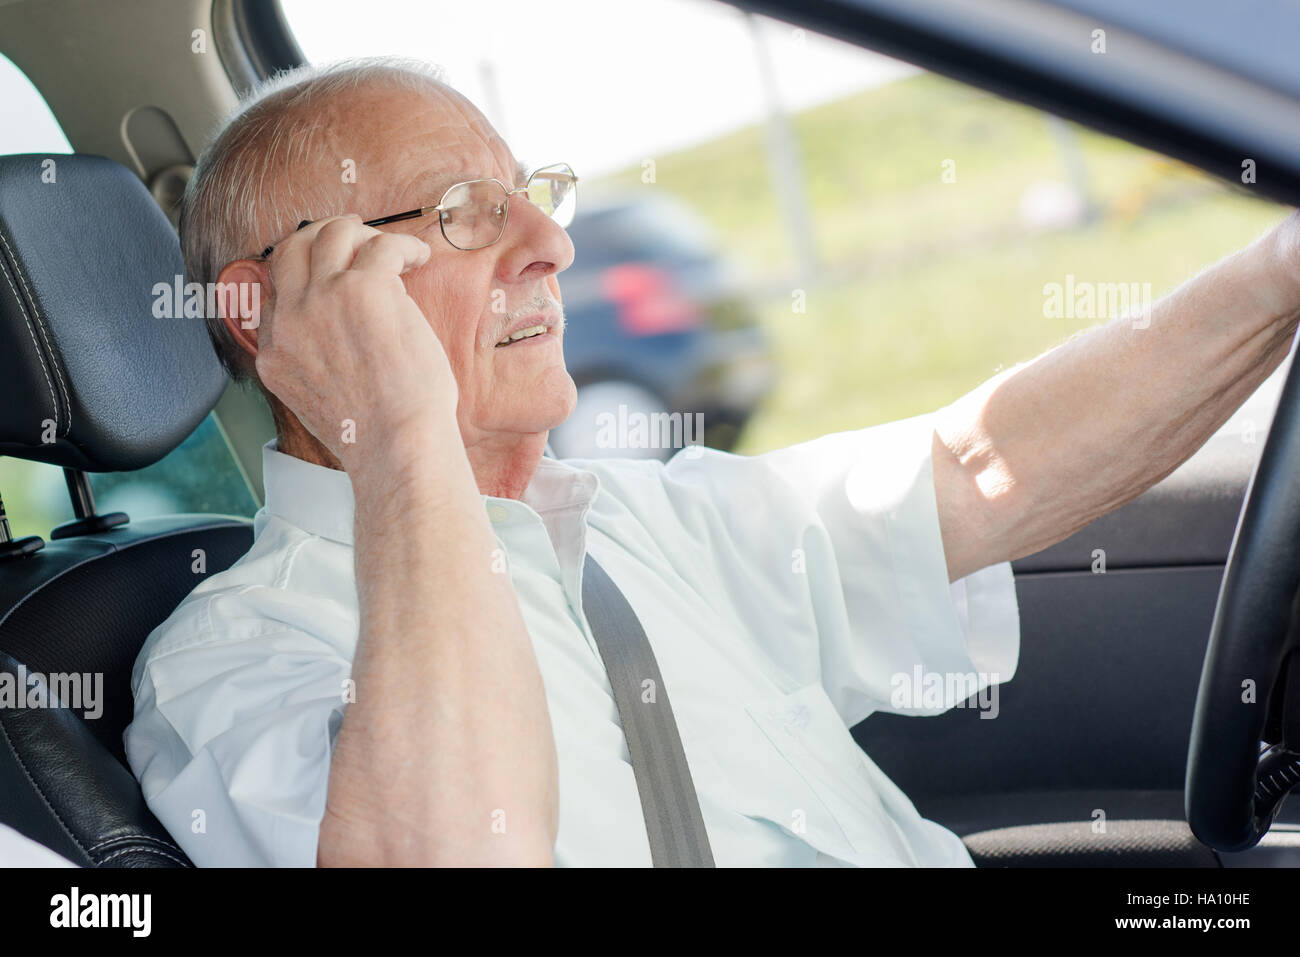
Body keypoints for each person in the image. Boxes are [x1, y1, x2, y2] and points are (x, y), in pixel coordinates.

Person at [125, 57, 1300, 866]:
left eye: (532, 197)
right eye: (461, 212)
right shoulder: (231, 662)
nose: (553, 243)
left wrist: (1274, 280)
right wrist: (397, 430)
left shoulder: (645, 520)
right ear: (267, 307)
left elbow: (980, 465)